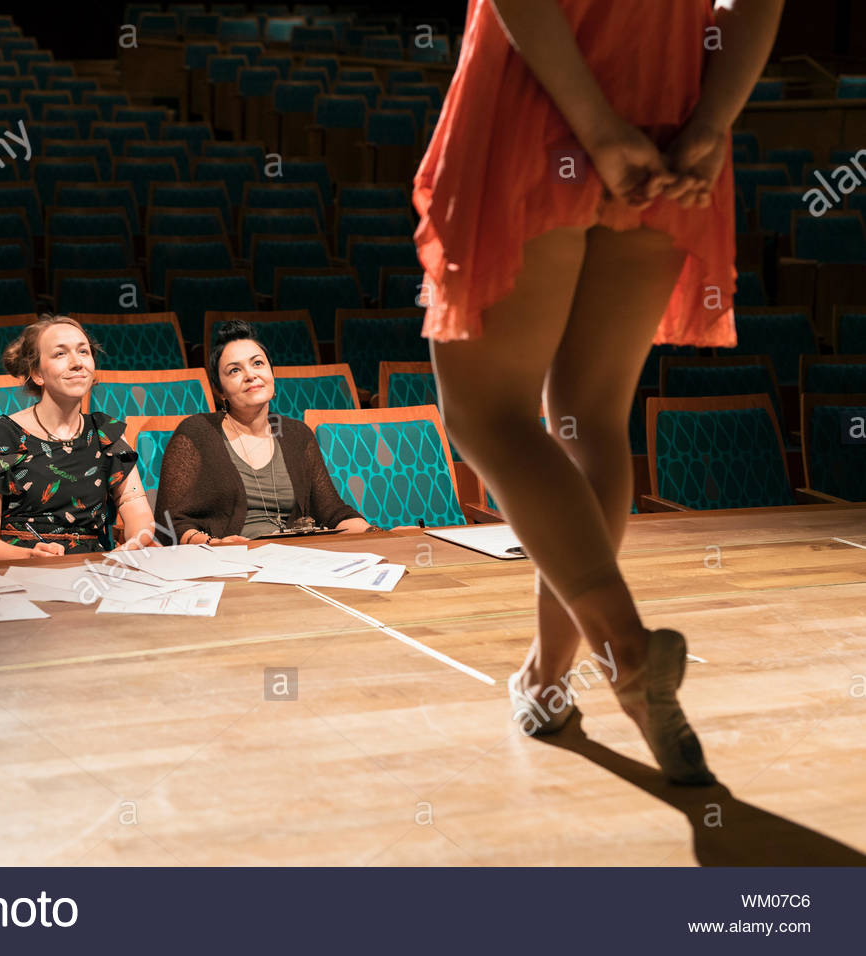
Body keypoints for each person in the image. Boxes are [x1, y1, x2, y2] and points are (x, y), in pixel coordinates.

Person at [413, 0, 783, 784]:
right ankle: (547, 685)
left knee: (489, 414)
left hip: (549, 95)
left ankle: (629, 650)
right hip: (672, 102)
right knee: (591, 417)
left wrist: (599, 127)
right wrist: (713, 122)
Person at [154, 321, 375, 544]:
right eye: (234, 370)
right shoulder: (197, 432)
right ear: (220, 391)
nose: (250, 375)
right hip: (227, 561)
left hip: (294, 557)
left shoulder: (297, 435)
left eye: (257, 363)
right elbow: (169, 523)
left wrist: (376, 533)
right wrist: (213, 544)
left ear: (272, 374)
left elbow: (332, 511)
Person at [0, 314, 156, 558]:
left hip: (92, 567)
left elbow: (136, 509)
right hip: (17, 566)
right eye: (60, 354)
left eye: (83, 352)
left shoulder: (106, 432)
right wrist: (30, 557)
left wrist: (134, 543)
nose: (77, 363)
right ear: (37, 374)